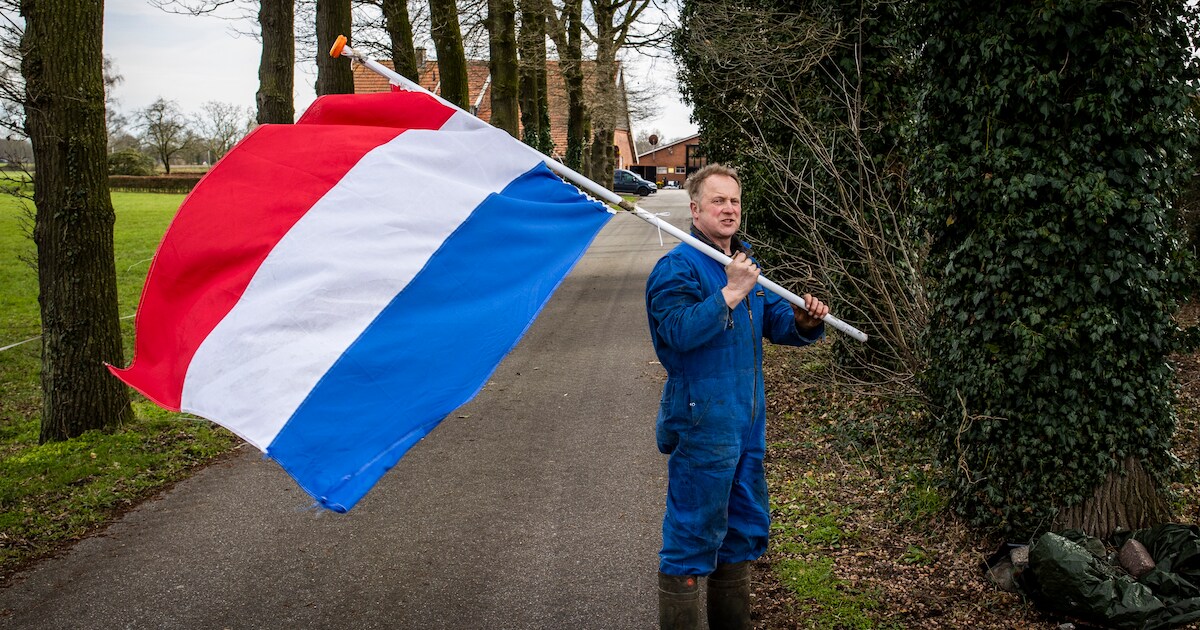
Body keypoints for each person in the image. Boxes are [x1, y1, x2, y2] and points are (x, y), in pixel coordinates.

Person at [645, 164, 828, 629]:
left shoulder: (745, 264)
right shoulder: (678, 268)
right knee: (692, 535)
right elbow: (676, 332)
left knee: (742, 529)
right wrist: (728, 293)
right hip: (702, 422)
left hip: (747, 423)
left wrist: (804, 324)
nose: (728, 209)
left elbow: (772, 325)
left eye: (734, 201)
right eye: (717, 201)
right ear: (695, 209)